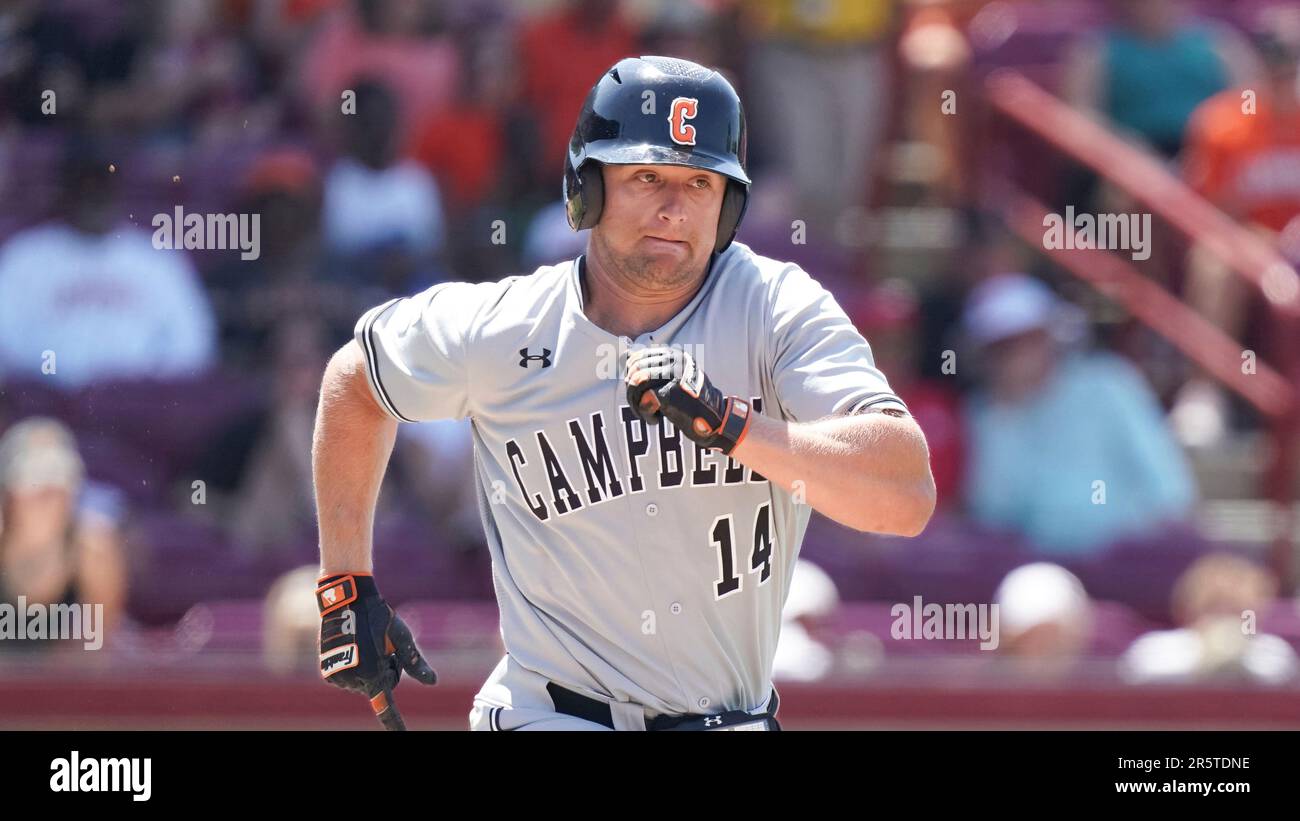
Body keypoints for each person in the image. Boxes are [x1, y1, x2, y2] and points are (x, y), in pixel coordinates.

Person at [311, 56, 935, 731]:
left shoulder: (775, 309)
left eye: (700, 182)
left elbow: (904, 494)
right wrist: (347, 583)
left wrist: (734, 427)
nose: (674, 207)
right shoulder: (507, 328)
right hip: (552, 715)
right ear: (587, 189)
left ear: (729, 206)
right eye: (646, 176)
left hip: (731, 717)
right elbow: (356, 379)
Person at [961, 273, 1196, 557]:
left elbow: (1169, 488)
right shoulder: (986, 414)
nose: (1019, 355)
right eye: (1003, 348)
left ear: (1050, 335)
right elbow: (994, 510)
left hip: (1132, 556)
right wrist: (1007, 416)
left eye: (1029, 338)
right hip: (1042, 568)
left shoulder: (1109, 383)